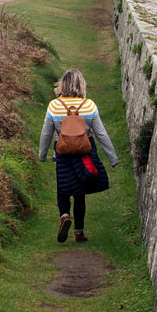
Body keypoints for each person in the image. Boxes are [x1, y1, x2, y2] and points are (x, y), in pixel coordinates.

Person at [38, 68, 119, 243]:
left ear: (63, 84)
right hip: (85, 153)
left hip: (63, 152)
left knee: (63, 188)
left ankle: (65, 216)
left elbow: (46, 133)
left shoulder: (54, 106)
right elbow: (101, 134)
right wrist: (112, 158)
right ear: (81, 85)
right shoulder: (89, 105)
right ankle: (79, 232)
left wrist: (42, 154)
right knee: (80, 191)